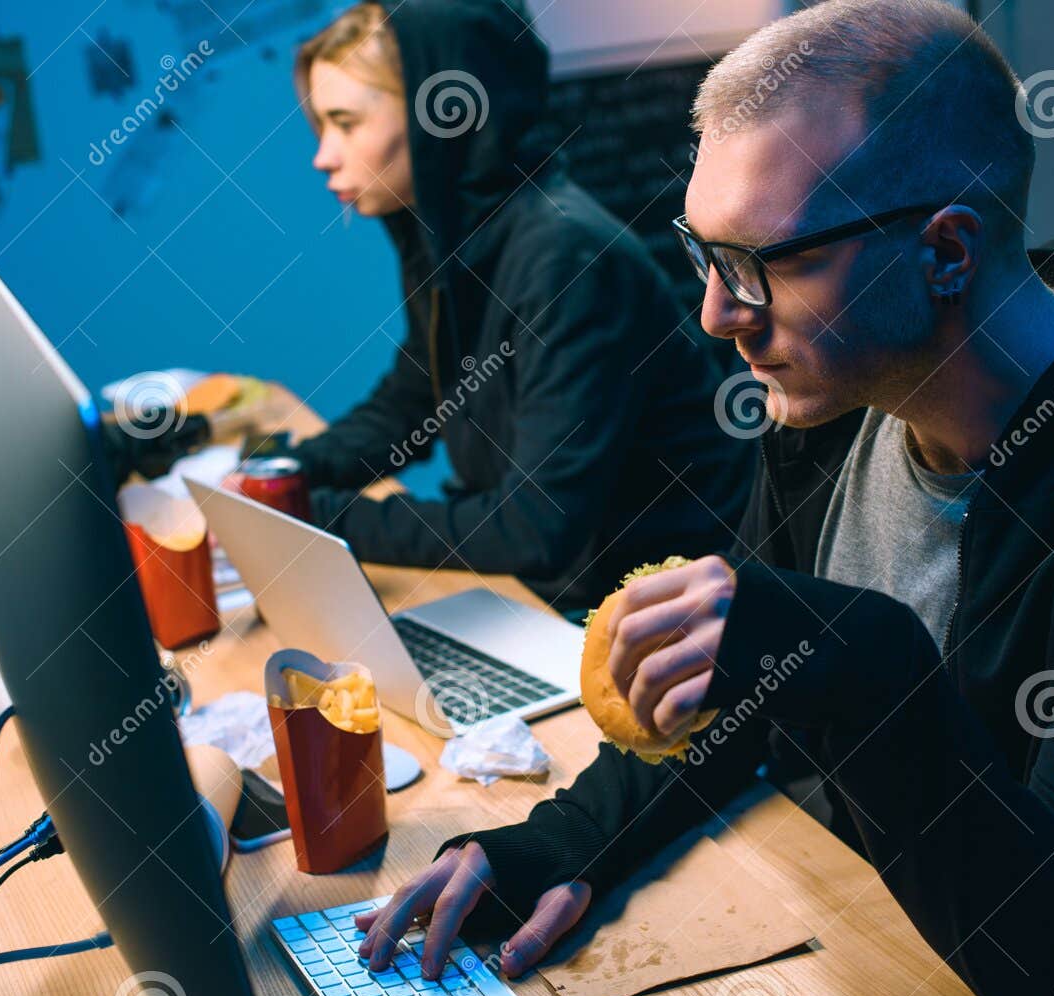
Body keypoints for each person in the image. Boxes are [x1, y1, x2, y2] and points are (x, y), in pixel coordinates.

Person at [348, 0, 1054, 996]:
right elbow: (748, 694)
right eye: (703, 253)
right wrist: (565, 843)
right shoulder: (836, 389)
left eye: (758, 263)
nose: (716, 313)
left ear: (944, 252)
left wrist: (856, 656)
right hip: (899, 918)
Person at [279, 0, 752, 614]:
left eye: (345, 123)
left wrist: (317, 516)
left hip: (651, 606)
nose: (323, 156)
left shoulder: (564, 256)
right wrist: (281, 473)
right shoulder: (451, 238)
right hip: (560, 589)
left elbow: (537, 529)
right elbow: (410, 400)